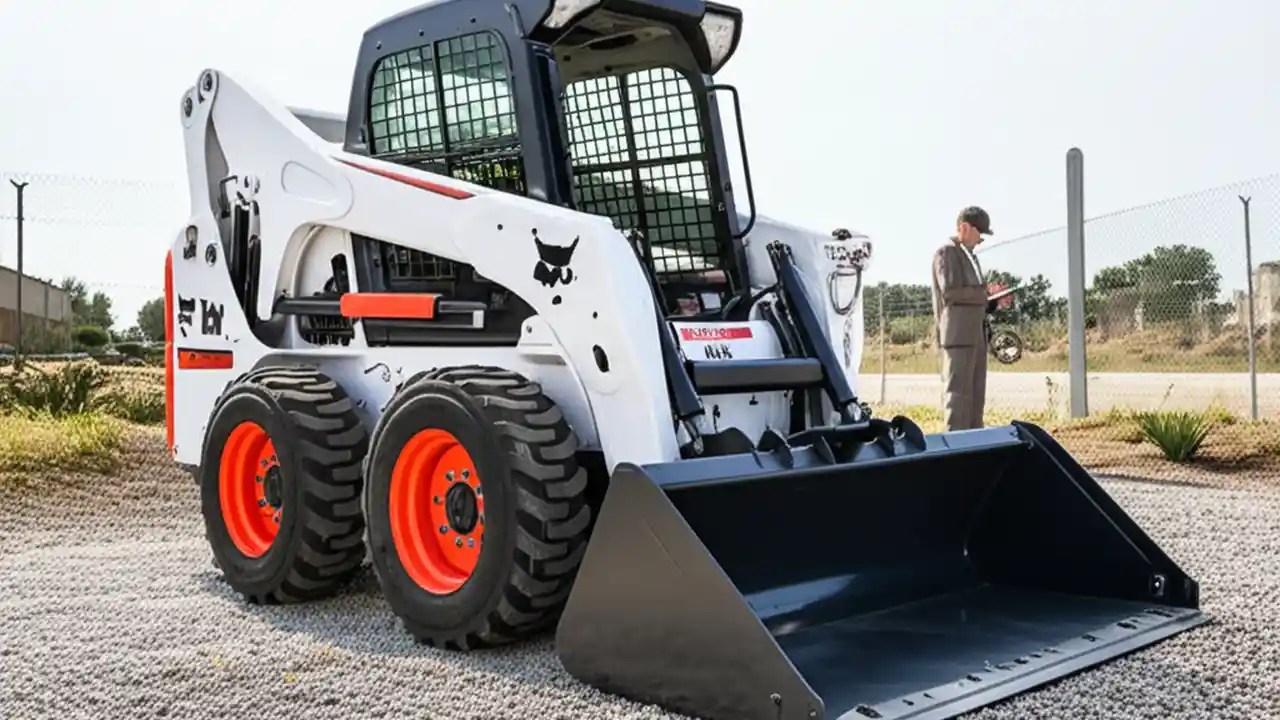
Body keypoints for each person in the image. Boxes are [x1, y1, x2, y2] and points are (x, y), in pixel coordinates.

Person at [930, 206, 998, 431]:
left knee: (976, 395)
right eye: (980, 233)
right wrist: (983, 293)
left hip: (976, 335)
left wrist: (993, 299)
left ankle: (974, 441)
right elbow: (950, 291)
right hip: (958, 336)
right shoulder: (947, 253)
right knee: (958, 395)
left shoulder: (971, 258)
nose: (981, 240)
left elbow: (975, 297)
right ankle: (956, 442)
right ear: (964, 227)